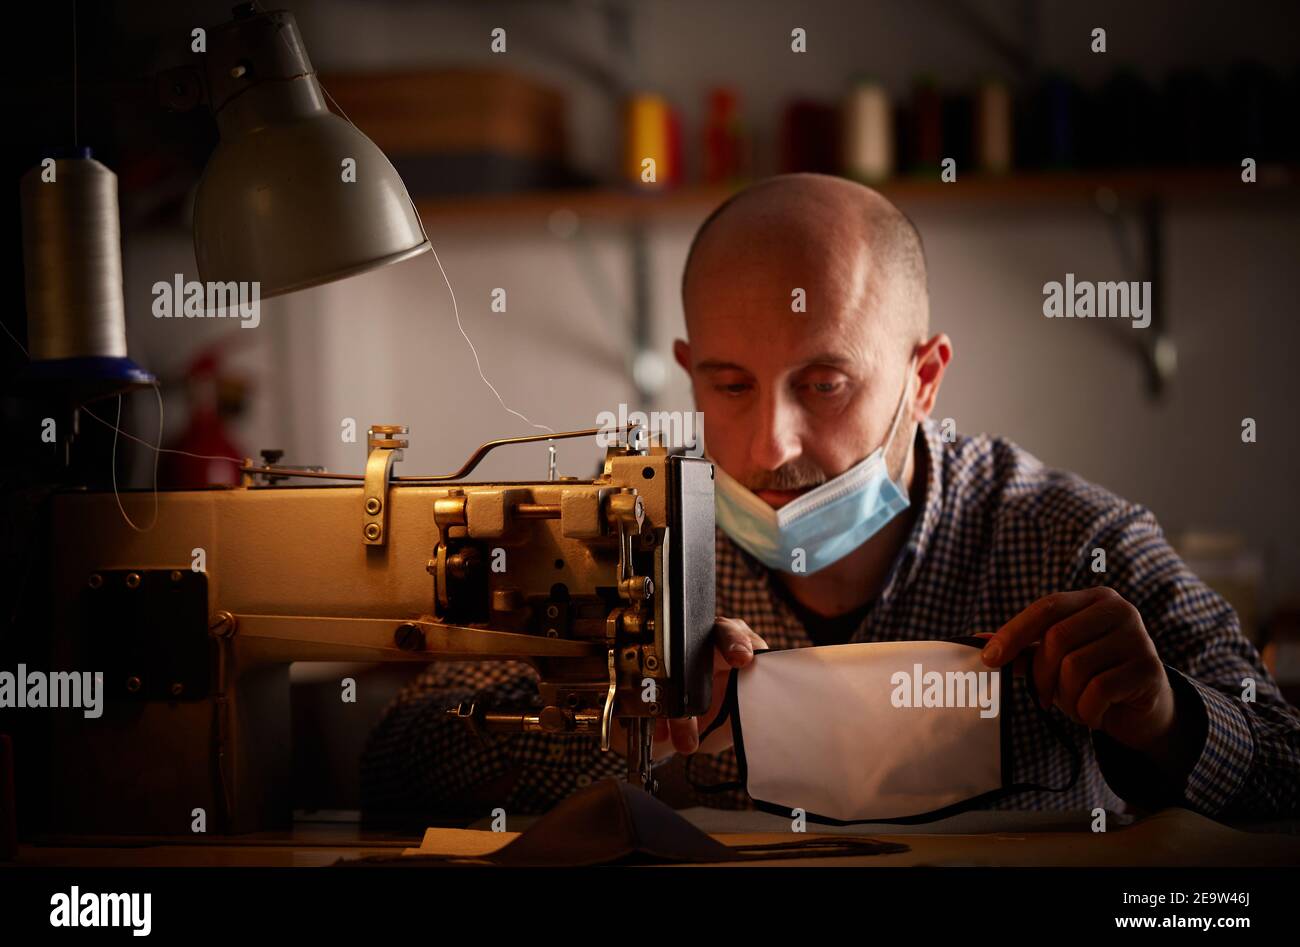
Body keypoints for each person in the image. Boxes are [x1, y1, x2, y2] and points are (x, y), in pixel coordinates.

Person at [361, 173, 1300, 821]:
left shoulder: (1070, 538)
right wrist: (630, 728)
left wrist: (1166, 721)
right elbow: (401, 763)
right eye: (730, 386)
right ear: (688, 372)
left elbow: (1287, 770)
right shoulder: (626, 540)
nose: (770, 444)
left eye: (824, 384)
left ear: (924, 377)